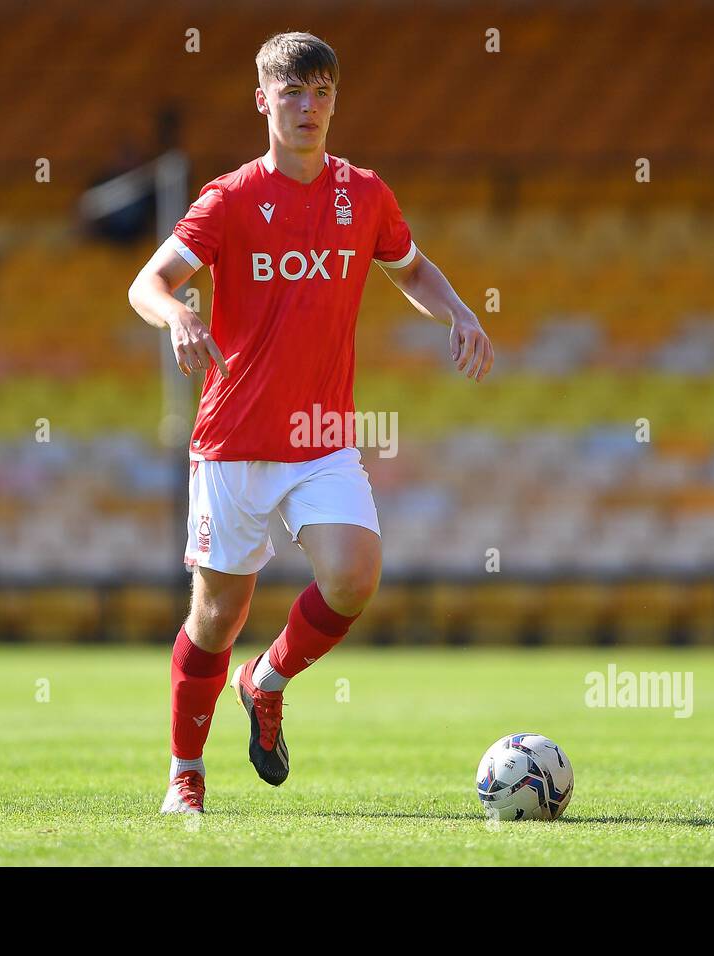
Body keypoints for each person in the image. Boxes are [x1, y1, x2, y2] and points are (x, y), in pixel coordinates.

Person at [128, 31, 493, 814]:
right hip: (233, 444)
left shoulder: (364, 194)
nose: (308, 107)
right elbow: (148, 282)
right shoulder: (229, 198)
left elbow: (411, 267)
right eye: (292, 92)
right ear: (263, 100)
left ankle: (268, 681)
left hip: (321, 441)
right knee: (216, 616)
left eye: (321, 91)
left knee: (354, 575)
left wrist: (458, 313)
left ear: (335, 100)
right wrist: (178, 319)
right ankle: (185, 774)